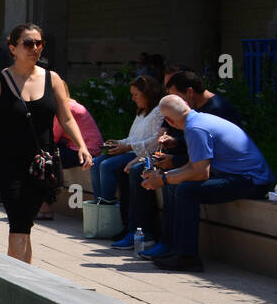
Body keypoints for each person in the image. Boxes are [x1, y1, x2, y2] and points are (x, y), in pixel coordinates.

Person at [0, 22, 92, 265]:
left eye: (39, 43)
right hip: (7, 162)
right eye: (28, 43)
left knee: (25, 223)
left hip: (41, 164)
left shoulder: (52, 79)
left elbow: (66, 117)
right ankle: (16, 284)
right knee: (18, 221)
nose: (34, 48)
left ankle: (22, 282)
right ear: (13, 48)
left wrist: (81, 145)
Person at [137, 95, 274, 271]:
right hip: (243, 177)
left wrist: (163, 179)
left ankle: (187, 257)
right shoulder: (198, 119)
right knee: (176, 185)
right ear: (186, 105)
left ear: (169, 121)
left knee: (186, 191)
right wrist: (164, 176)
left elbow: (201, 173)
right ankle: (175, 249)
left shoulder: (195, 128)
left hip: (252, 181)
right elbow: (192, 165)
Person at [96, 77, 164, 244]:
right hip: (134, 151)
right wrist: (120, 143)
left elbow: (154, 143)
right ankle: (102, 212)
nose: (133, 98)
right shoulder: (142, 112)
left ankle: (126, 223)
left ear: (148, 93)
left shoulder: (158, 113)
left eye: (136, 94)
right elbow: (133, 137)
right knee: (96, 162)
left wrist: (127, 147)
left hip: (145, 155)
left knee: (110, 166)